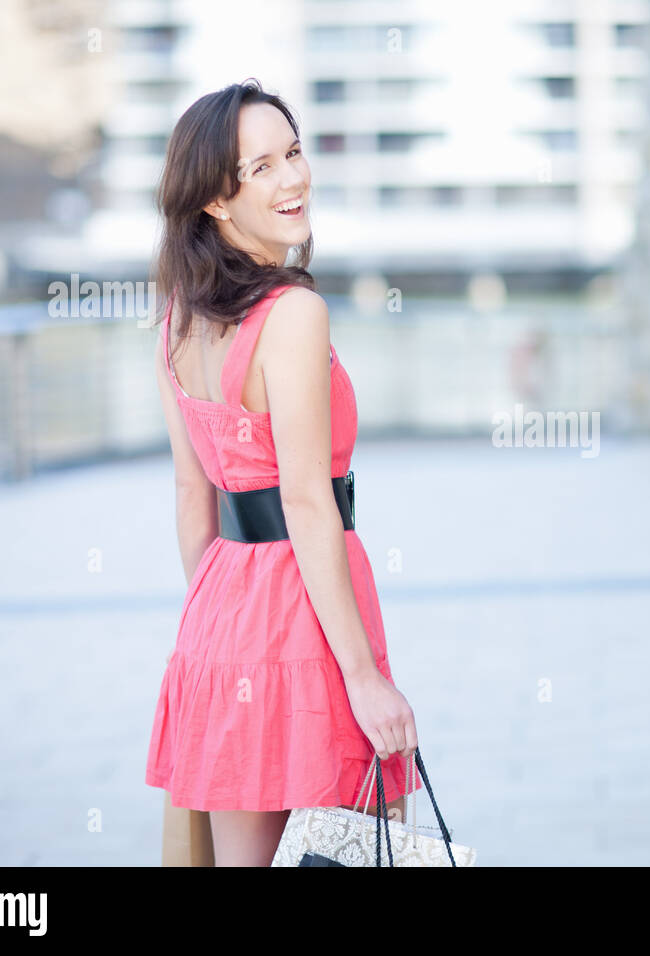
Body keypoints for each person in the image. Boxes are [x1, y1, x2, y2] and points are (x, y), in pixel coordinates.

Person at [144, 80, 421, 866]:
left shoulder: (176, 322)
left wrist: (225, 626)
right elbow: (304, 496)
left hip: (218, 616)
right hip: (308, 615)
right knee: (351, 847)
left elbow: (191, 494)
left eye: (292, 153)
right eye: (259, 167)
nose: (292, 179)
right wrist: (363, 676)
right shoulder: (292, 314)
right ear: (216, 202)